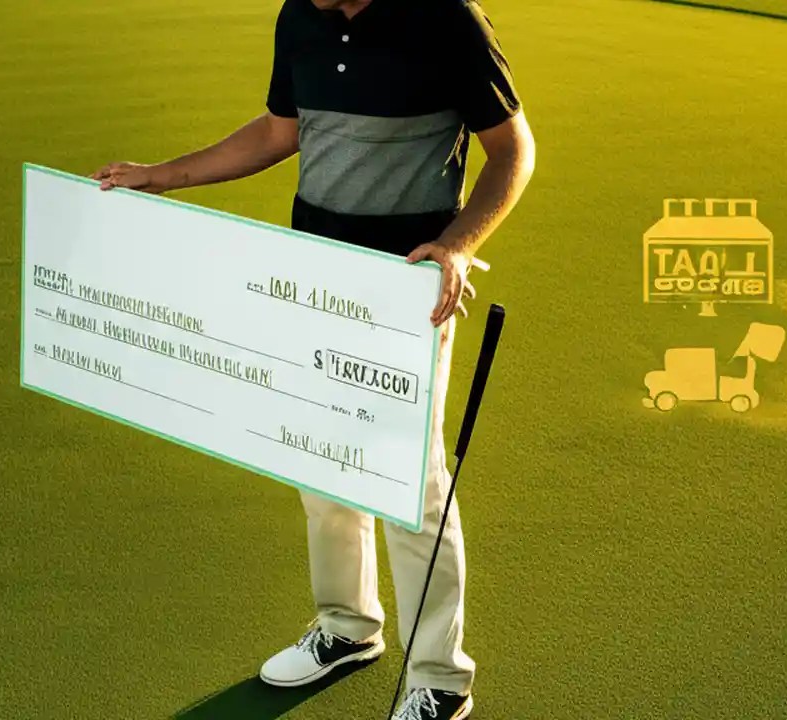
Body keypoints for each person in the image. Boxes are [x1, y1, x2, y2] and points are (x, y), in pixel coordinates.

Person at [90, 1, 534, 717]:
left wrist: (458, 245)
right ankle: (348, 626)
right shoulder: (300, 15)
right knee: (319, 460)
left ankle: (441, 677)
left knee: (409, 483)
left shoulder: (448, 16)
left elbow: (513, 150)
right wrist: (163, 176)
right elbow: (279, 130)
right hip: (314, 282)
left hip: (403, 292)